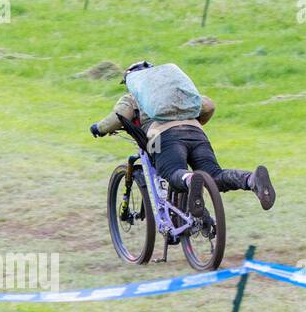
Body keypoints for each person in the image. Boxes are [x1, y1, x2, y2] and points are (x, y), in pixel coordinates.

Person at [91, 61, 275, 216]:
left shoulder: (132, 97)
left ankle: (189, 179)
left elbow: (117, 117)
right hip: (195, 133)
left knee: (172, 172)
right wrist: (194, 123)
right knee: (215, 175)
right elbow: (208, 106)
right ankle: (251, 180)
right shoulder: (178, 93)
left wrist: (98, 128)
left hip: (161, 136)